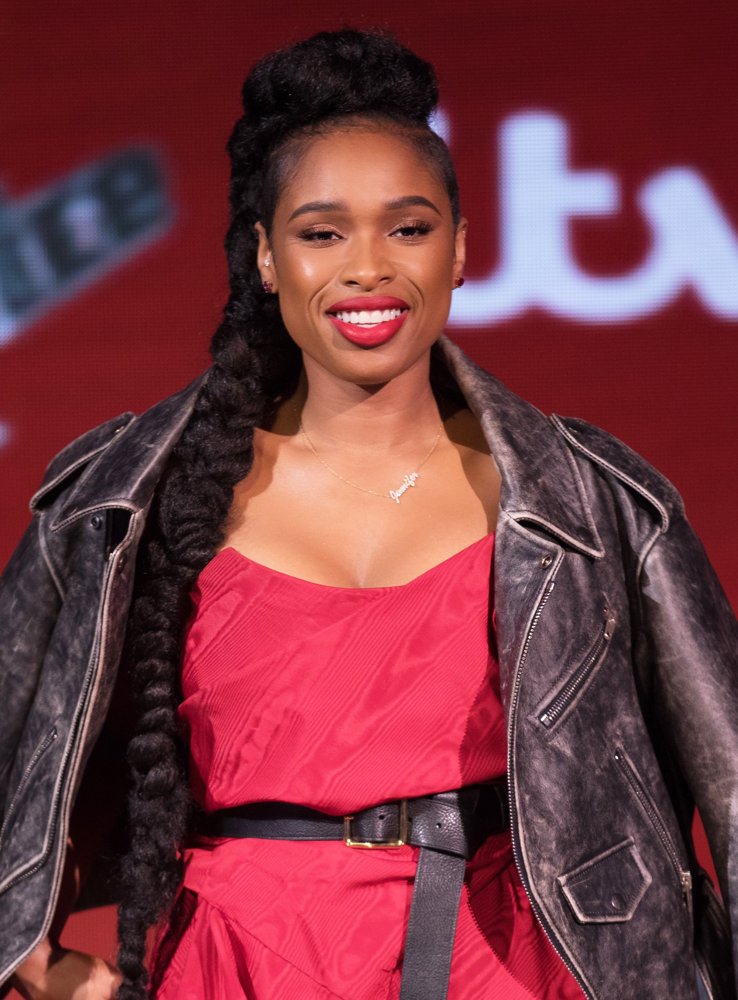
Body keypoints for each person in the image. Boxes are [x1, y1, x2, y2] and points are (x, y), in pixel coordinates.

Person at [1, 26, 736, 1000]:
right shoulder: (118, 501)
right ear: (266, 257)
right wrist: (31, 963)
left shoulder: (596, 503)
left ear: (463, 248)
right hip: (228, 969)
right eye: (321, 231)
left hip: (509, 969)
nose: (369, 267)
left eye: (409, 226)